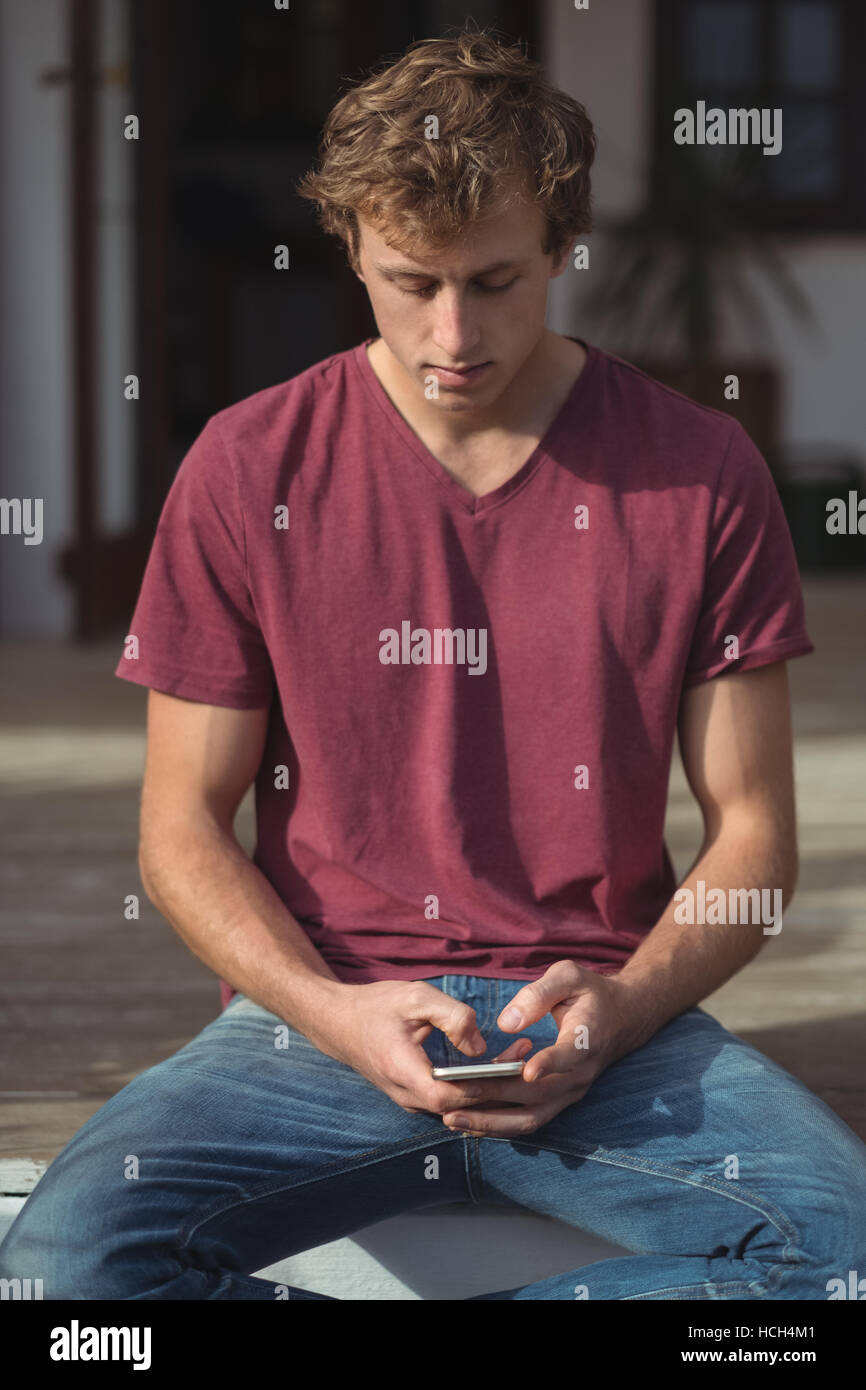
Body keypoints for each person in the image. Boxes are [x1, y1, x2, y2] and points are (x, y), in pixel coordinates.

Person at [2, 27, 865, 1302]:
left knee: (840, 1258)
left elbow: (752, 840)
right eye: (410, 281)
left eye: (497, 281)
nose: (451, 334)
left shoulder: (698, 471)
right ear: (349, 245)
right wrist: (332, 1011)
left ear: (564, 249)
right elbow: (179, 828)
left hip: (596, 1023)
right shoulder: (247, 469)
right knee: (63, 1274)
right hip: (314, 1023)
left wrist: (614, 1014)